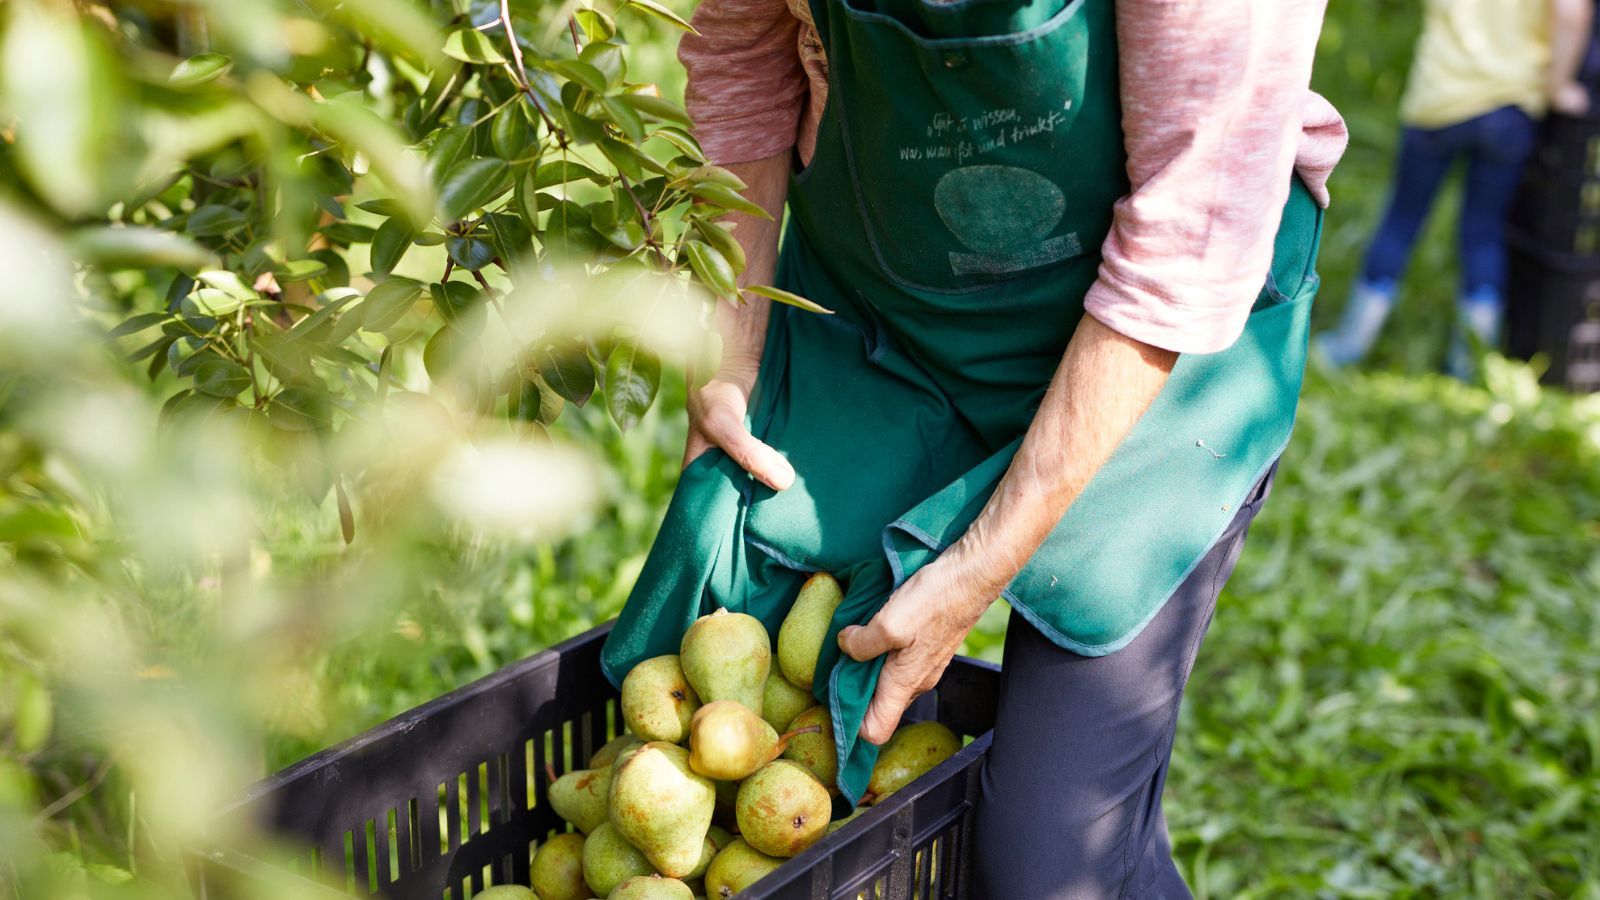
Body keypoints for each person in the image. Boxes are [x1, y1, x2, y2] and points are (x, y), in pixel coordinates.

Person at [599, 0, 1345, 896]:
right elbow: (743, 50)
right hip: (885, 308)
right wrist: (732, 343)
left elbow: (1185, 239)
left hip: (1161, 350)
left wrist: (982, 563)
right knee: (725, 626)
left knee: (1051, 858)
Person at [1317, 0, 1593, 377]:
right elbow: (1570, 10)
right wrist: (1559, 85)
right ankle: (1468, 364)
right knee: (1483, 233)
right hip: (1509, 105)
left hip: (1438, 99)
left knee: (1400, 222)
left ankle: (1349, 346)